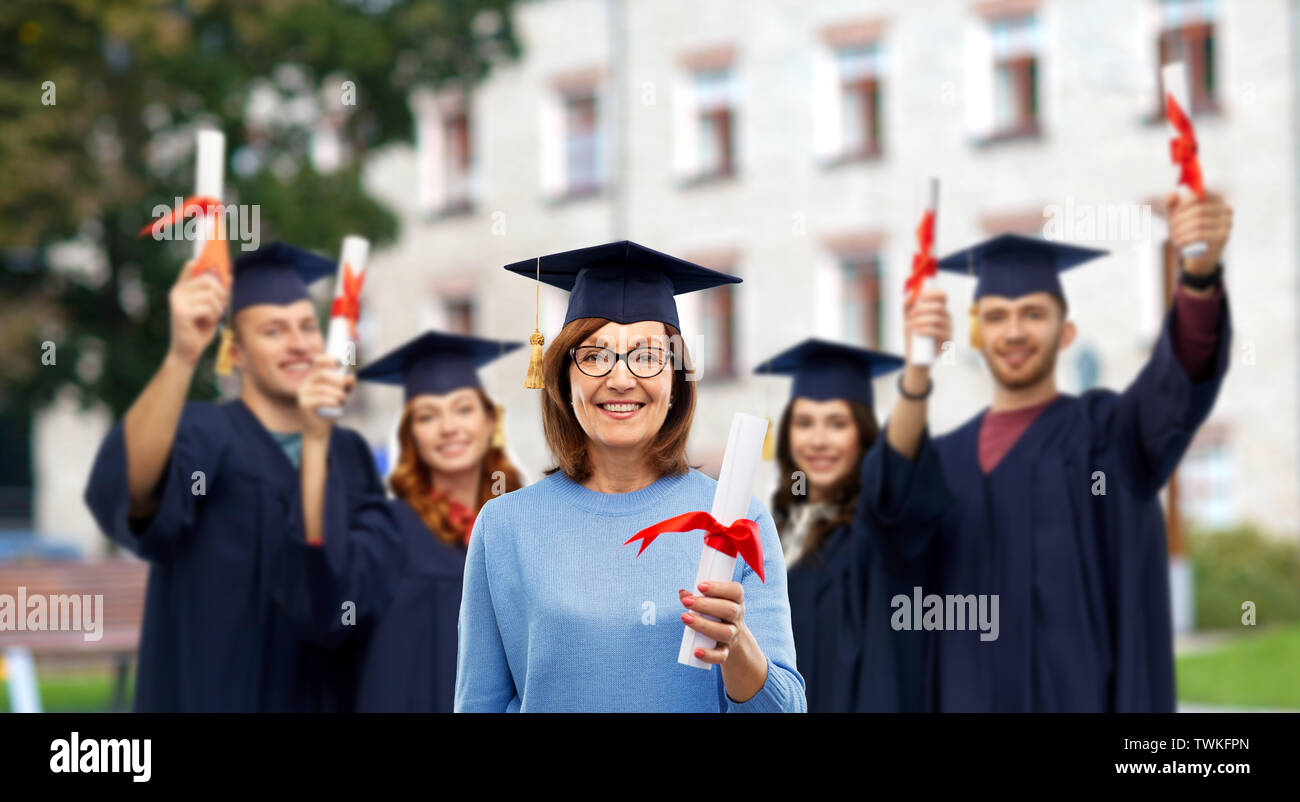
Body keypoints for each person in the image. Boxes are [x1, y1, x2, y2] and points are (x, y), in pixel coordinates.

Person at [867, 190, 1233, 711]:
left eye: (1032, 313)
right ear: (977, 334)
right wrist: (917, 370)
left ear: (1067, 332)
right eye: (995, 316)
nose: (1013, 331)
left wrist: (1198, 274)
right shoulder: (944, 462)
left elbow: (1178, 386)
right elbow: (888, 509)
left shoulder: (1110, 437)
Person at [455, 241, 806, 712]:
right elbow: (478, 704)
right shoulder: (504, 527)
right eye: (596, 356)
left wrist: (736, 644)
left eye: (646, 356)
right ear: (564, 377)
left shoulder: (736, 522)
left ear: (675, 380)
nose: (621, 379)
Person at [83, 242, 400, 712]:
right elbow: (136, 489)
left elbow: (357, 597)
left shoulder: (349, 455)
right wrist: (182, 355)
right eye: (273, 330)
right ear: (237, 351)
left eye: (307, 327)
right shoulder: (200, 432)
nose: (297, 343)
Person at [755, 337, 949, 712]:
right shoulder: (775, 529)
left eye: (837, 423)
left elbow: (898, 465)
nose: (818, 440)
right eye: (804, 422)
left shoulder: (880, 524)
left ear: (863, 434)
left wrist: (917, 375)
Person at [353, 331, 525, 712]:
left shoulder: (525, 523)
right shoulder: (385, 530)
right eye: (428, 415)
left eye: (463, 409)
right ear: (410, 435)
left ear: (490, 420)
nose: (448, 427)